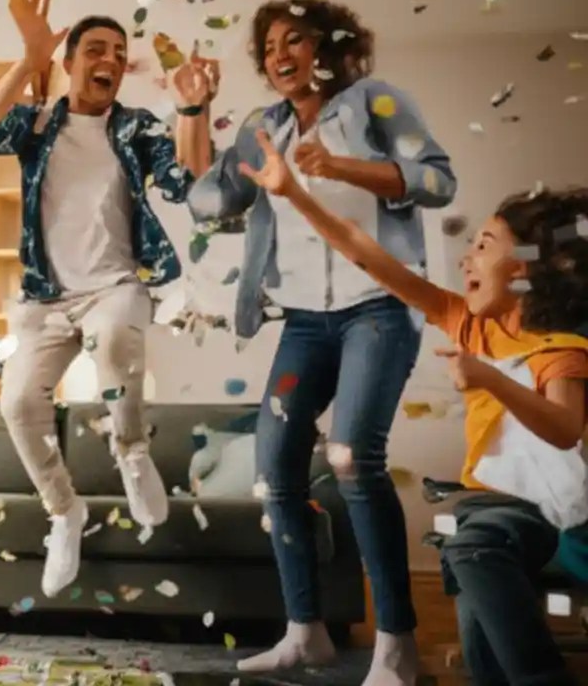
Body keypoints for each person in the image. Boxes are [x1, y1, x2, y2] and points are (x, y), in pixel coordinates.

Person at [242, 138, 588, 683]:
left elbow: (566, 431)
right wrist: (293, 195)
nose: (467, 257)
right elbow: (364, 252)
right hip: (483, 505)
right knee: (481, 643)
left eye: (485, 245)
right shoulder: (470, 324)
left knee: (473, 549)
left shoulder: (559, 349)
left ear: (526, 268)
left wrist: (493, 379)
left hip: (537, 510)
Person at [183, 0, 457, 684]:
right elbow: (209, 202)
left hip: (379, 308)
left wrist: (340, 168)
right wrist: (193, 111)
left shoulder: (377, 102)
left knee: (351, 459)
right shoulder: (263, 127)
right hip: (303, 321)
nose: (281, 53)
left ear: (329, 47)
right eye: (270, 43)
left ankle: (397, 645)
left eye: (296, 39)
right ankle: (305, 633)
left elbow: (435, 180)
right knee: (274, 472)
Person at [0, 0, 195, 598]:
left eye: (120, 53)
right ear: (69, 63)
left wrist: (192, 113)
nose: (110, 61)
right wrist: (26, 59)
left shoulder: (137, 126)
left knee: (118, 336)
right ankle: (65, 512)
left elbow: (182, 182)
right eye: (96, 49)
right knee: (15, 406)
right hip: (45, 298)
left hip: (114, 286)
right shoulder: (38, 122)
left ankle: (131, 451)